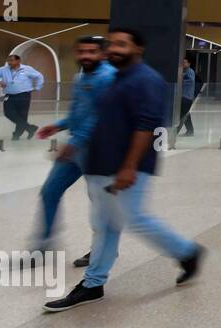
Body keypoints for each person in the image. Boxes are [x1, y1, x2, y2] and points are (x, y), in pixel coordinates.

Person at [43, 28, 205, 312]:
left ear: (138, 49)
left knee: (134, 219)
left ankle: (187, 252)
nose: (114, 48)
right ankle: (93, 284)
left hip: (127, 167)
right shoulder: (116, 78)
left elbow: (145, 127)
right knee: (105, 225)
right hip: (101, 164)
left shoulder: (146, 81)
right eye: (112, 44)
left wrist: (129, 167)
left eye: (122, 44)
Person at [33, 36, 116, 251]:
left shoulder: (108, 78)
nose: (86, 56)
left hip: (97, 150)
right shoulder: (82, 77)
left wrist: (73, 145)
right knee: (50, 191)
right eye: (82, 51)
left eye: (92, 51)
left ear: (103, 54)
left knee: (98, 202)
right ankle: (43, 244)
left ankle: (101, 250)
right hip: (76, 147)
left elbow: (98, 117)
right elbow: (79, 112)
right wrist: (59, 125)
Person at [0, 53, 44, 141]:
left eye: (11, 60)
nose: (9, 62)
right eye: (8, 60)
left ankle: (16, 135)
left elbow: (39, 76)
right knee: (8, 113)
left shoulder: (27, 69)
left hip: (23, 95)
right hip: (9, 96)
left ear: (18, 61)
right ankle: (30, 128)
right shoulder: (4, 69)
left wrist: (37, 87)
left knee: (22, 116)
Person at [178, 57, 197, 137]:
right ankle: (190, 130)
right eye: (182, 62)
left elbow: (191, 80)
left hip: (187, 97)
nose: (183, 64)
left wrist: (180, 80)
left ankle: (175, 132)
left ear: (189, 64)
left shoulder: (190, 72)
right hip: (183, 97)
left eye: (185, 62)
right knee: (186, 115)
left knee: (181, 115)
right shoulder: (184, 72)